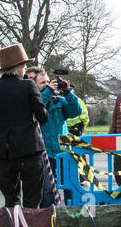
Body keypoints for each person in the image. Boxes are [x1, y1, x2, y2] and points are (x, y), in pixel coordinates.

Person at [0, 44, 49, 208]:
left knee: (11, 201)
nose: (25, 68)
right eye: (24, 65)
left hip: (5, 152)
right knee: (32, 200)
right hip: (29, 148)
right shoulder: (28, 85)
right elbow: (42, 116)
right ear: (18, 66)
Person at [29, 66, 82, 206]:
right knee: (48, 190)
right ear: (34, 86)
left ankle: (73, 216)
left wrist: (67, 92)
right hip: (45, 150)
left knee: (70, 186)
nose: (47, 85)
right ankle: (50, 219)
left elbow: (75, 111)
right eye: (42, 83)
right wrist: (48, 91)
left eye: (48, 82)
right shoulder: (35, 99)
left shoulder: (59, 99)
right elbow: (36, 106)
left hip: (63, 147)